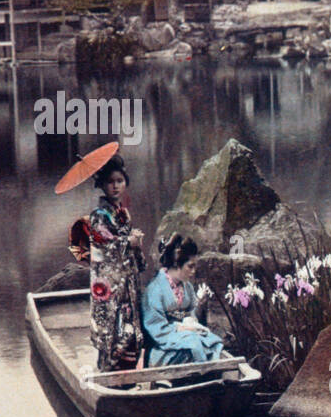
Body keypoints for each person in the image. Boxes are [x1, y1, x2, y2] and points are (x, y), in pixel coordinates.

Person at [68, 153, 145, 370]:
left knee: (129, 333)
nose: (115, 186)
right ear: (102, 185)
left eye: (119, 181)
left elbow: (125, 243)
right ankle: (107, 376)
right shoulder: (99, 215)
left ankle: (128, 380)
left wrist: (135, 244)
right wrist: (127, 242)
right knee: (112, 333)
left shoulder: (123, 213)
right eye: (110, 182)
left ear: (125, 183)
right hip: (108, 282)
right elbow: (102, 246)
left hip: (125, 281)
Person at [142, 234, 226, 367]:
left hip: (186, 335)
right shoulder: (154, 290)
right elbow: (157, 330)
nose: (193, 271)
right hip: (164, 345)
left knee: (214, 341)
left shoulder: (187, 286)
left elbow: (191, 313)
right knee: (194, 344)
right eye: (190, 266)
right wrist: (181, 328)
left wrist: (193, 321)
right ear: (176, 264)